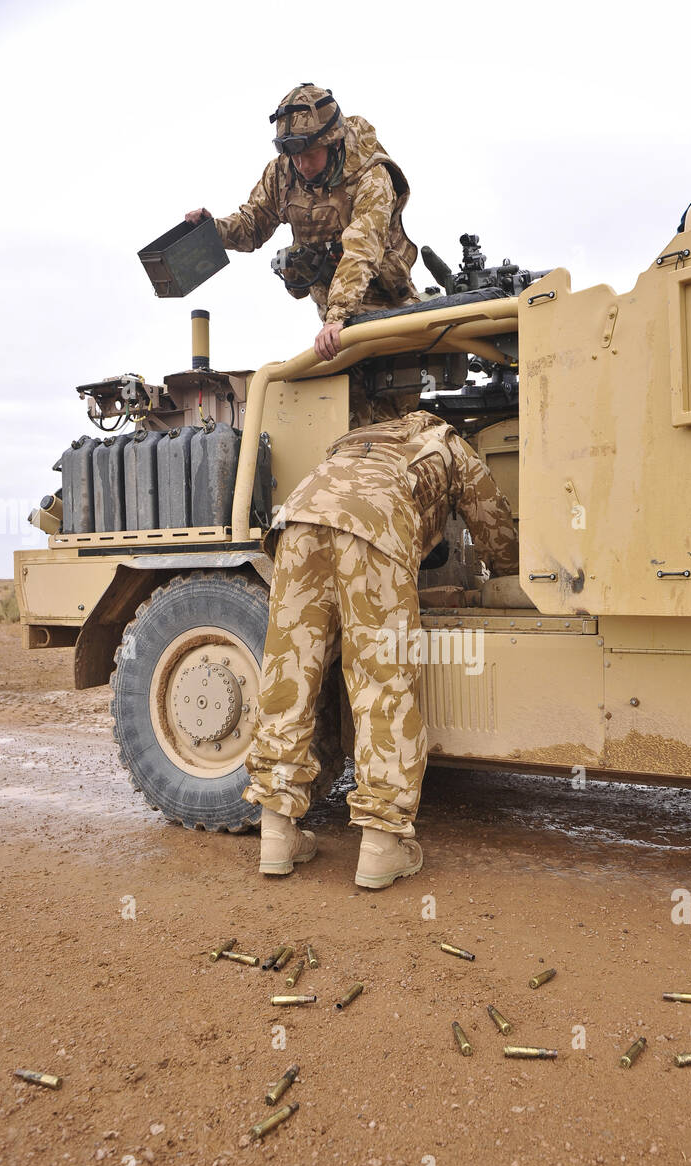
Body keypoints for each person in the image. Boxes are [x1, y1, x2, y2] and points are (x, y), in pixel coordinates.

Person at [243, 411, 520, 889]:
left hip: (298, 522)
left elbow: (336, 491)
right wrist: (508, 571)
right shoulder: (449, 442)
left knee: (289, 678)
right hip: (374, 526)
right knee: (382, 684)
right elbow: (490, 519)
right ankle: (379, 847)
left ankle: (277, 834)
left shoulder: (354, 439)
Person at [185, 83, 420, 424]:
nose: (301, 163)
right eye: (293, 153)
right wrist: (212, 230)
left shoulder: (371, 177)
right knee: (345, 421)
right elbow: (253, 225)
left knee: (397, 424)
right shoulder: (283, 174)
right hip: (336, 323)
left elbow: (360, 250)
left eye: (309, 153)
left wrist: (337, 316)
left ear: (334, 141)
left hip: (389, 316)